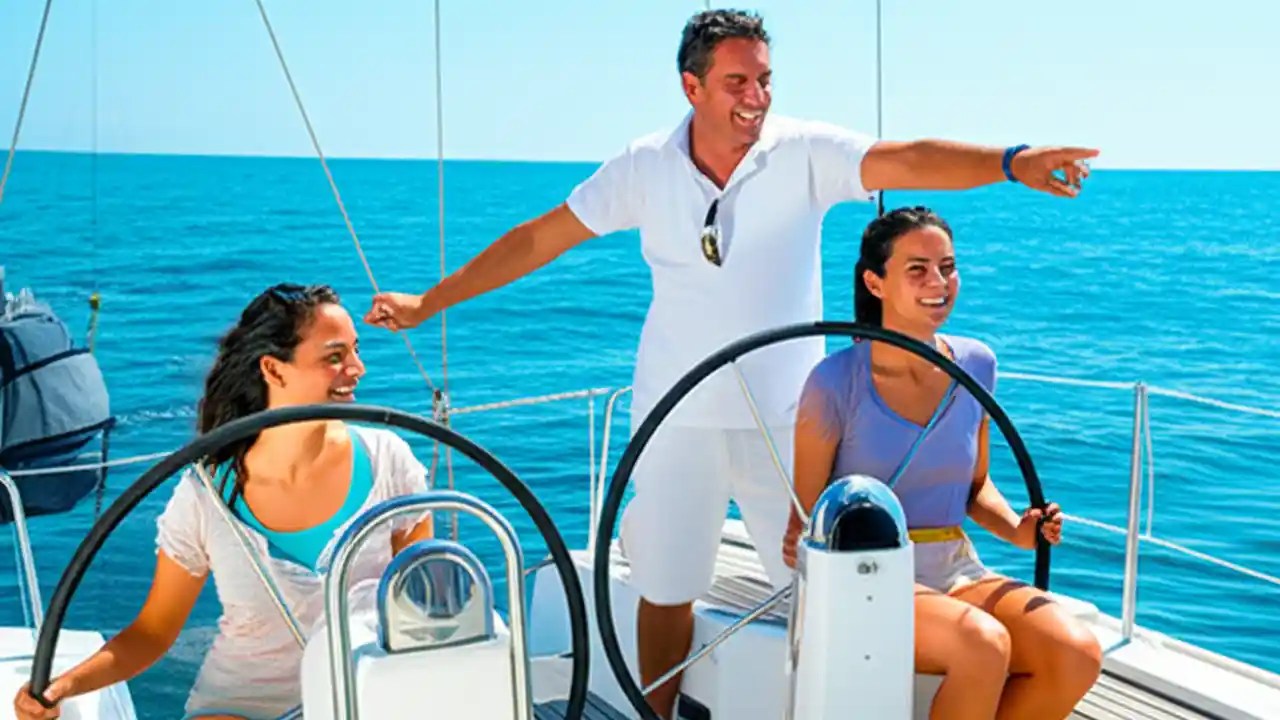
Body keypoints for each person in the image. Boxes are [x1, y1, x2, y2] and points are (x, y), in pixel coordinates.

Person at [364, 9, 1097, 717]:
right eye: (738, 82)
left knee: (826, 585)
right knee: (666, 583)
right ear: (693, 87)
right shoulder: (644, 166)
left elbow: (904, 159)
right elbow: (539, 240)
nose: (758, 97)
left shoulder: (805, 150)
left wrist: (1011, 162)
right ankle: (656, 713)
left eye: (766, 80)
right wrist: (431, 302)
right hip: (675, 413)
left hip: (790, 420)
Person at [13, 283, 434, 720]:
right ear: (274, 369)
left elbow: (421, 609)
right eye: (335, 356)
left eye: (355, 350)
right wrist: (62, 687)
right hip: (242, 709)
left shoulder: (390, 462)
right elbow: (153, 632)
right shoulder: (204, 495)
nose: (358, 367)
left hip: (362, 700)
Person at [782, 206, 1103, 720]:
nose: (939, 282)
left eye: (948, 267)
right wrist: (803, 535)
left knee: (1075, 653)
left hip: (954, 567)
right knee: (981, 644)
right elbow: (805, 524)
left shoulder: (977, 364)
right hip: (861, 576)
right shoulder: (833, 382)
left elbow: (974, 487)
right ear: (875, 281)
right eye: (917, 269)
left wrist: (1020, 531)